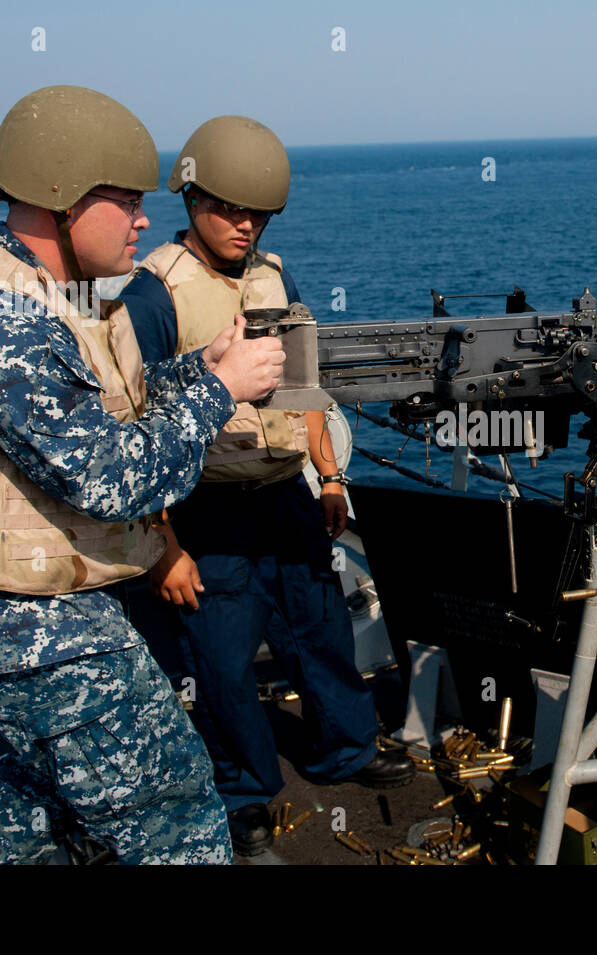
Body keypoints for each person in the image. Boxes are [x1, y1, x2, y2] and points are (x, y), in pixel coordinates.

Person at [0, 86, 285, 864]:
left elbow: (98, 399)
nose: (141, 219)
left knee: (55, 793)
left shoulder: (31, 287)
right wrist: (221, 390)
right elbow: (116, 479)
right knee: (175, 802)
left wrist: (199, 368)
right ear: (63, 201)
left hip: (10, 594)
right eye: (125, 201)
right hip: (6, 616)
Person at [118, 115, 412, 856]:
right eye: (229, 208)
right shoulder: (154, 297)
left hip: (285, 489)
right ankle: (244, 788)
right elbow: (135, 428)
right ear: (193, 201)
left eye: (258, 212)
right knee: (218, 660)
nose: (244, 224)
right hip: (204, 508)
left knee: (321, 627)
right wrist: (164, 547)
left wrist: (331, 476)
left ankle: (345, 750)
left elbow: (302, 384)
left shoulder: (273, 275)